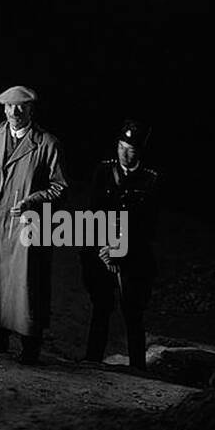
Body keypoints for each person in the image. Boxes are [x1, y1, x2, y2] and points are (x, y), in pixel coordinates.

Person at [0, 85, 67, 365]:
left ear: (31, 109)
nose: (15, 112)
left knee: (26, 286)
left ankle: (30, 346)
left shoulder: (46, 143)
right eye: (10, 107)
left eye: (21, 107)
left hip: (26, 226)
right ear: (3, 108)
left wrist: (34, 200)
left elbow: (60, 187)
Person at [81, 119, 160, 371]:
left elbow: (147, 225)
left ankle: (137, 366)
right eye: (121, 146)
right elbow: (93, 212)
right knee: (101, 306)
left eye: (131, 149)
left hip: (133, 256)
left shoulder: (151, 180)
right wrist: (105, 250)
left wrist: (121, 250)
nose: (125, 152)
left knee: (133, 312)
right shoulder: (103, 172)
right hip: (102, 252)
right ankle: (92, 359)